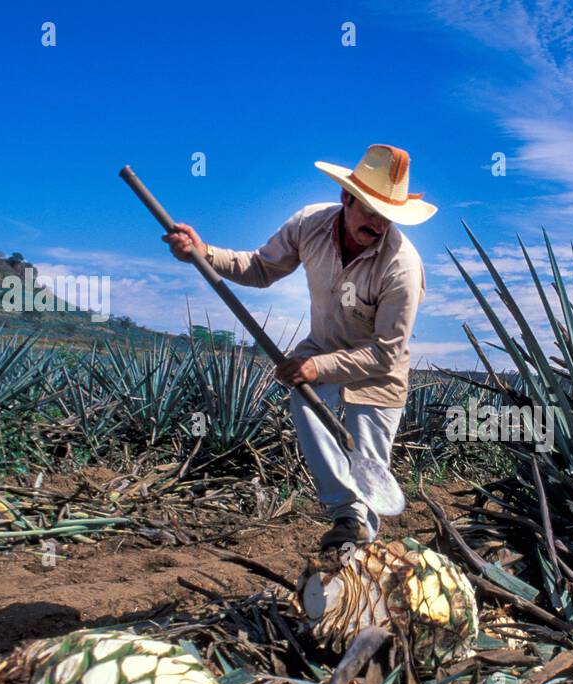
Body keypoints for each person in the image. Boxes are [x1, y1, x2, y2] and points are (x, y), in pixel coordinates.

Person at [163, 144, 435, 549]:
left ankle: (358, 552)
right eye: (370, 211)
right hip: (321, 348)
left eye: (387, 217)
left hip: (378, 371)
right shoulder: (310, 224)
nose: (378, 224)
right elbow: (260, 268)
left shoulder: (402, 266)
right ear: (347, 198)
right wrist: (204, 254)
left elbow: (386, 353)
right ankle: (346, 517)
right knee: (307, 404)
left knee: (369, 470)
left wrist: (318, 368)